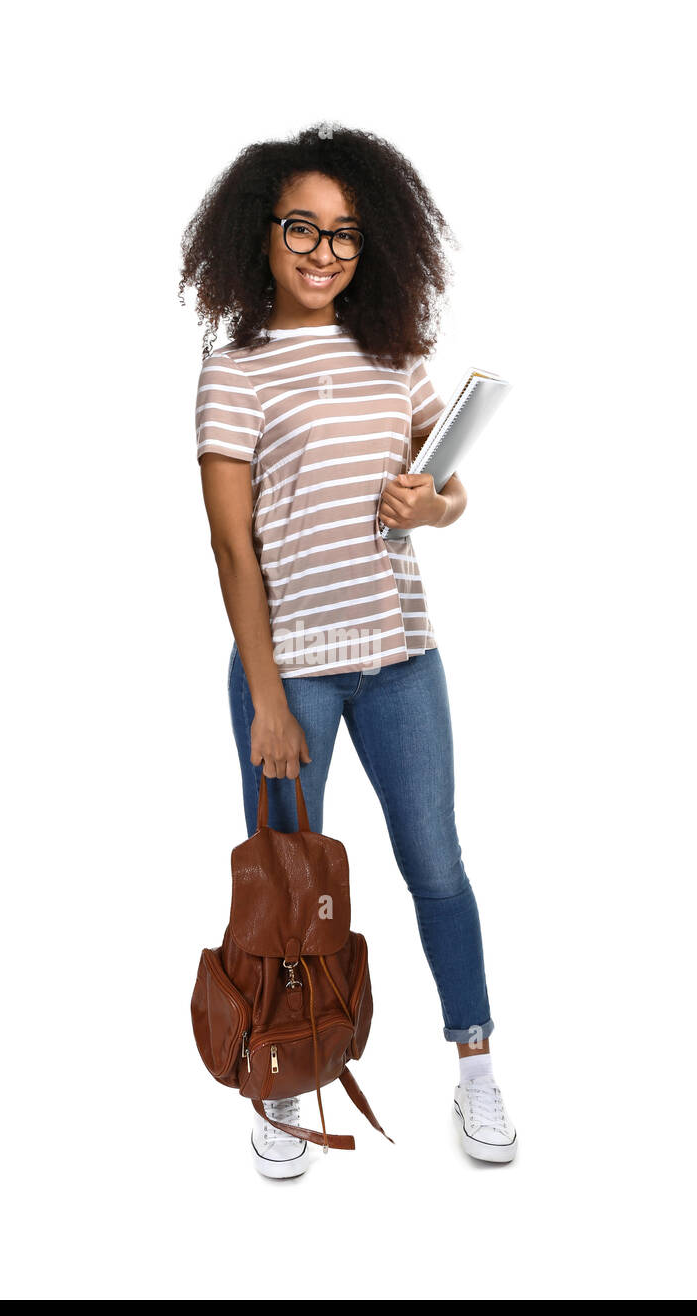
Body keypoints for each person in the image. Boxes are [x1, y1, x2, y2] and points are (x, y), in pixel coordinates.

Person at [179, 123, 517, 1178]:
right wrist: (268, 698)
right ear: (258, 235)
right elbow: (232, 547)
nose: (324, 253)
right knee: (284, 878)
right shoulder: (234, 370)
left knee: (436, 867)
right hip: (291, 675)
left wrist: (433, 502)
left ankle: (474, 1066)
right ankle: (278, 1081)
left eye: (346, 236)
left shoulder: (394, 353)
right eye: (301, 230)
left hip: (402, 658)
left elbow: (443, 488)